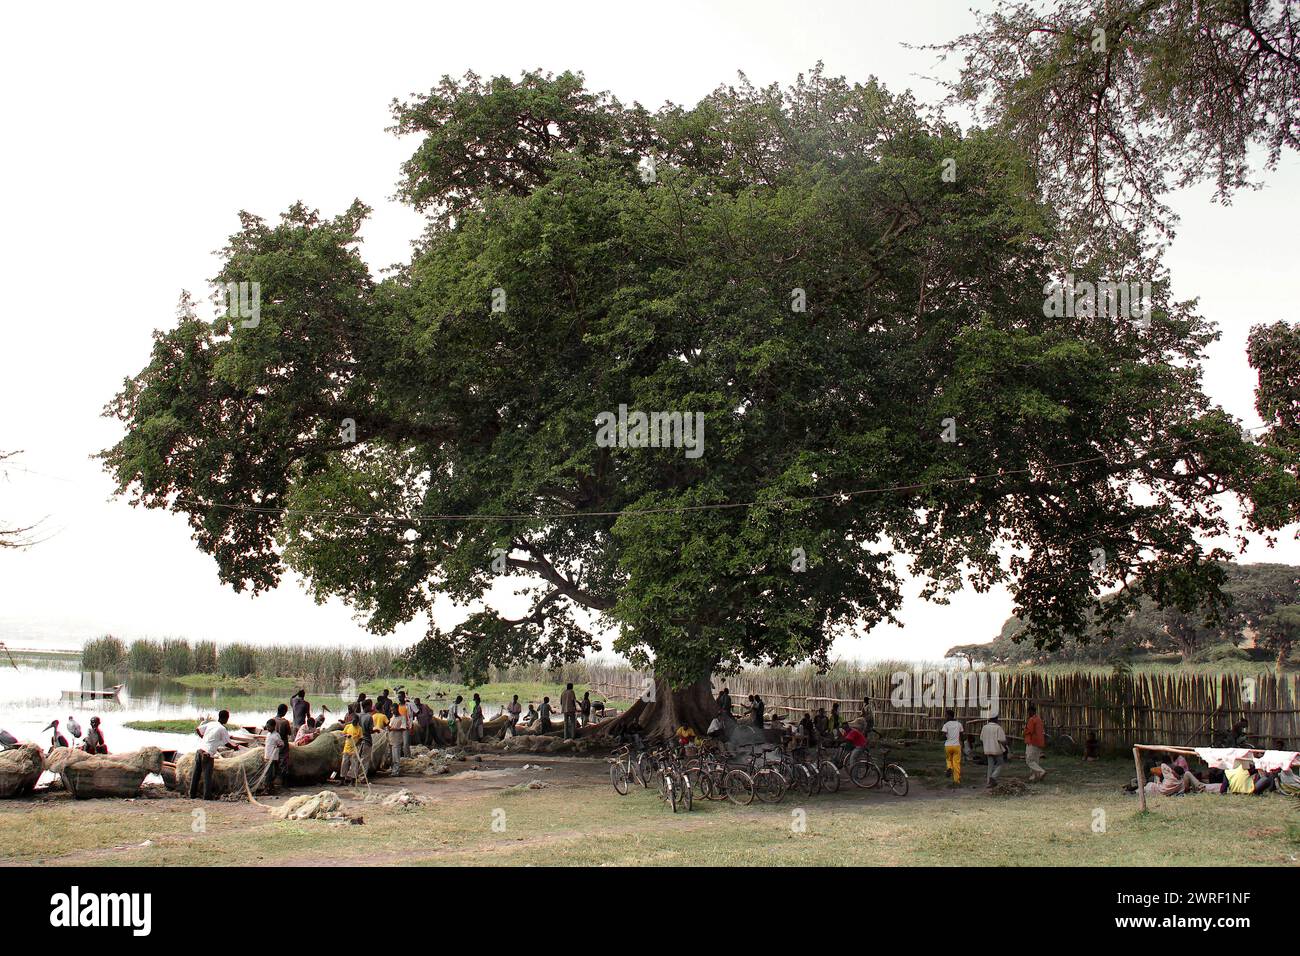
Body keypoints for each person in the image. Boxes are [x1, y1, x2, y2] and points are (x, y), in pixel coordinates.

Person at [190, 710, 231, 800]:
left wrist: (203, 737)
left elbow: (198, 729)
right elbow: (227, 743)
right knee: (207, 776)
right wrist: (235, 747)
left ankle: (192, 794)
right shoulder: (222, 729)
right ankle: (207, 797)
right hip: (207, 755)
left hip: (200, 751)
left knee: (196, 774)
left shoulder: (212, 724)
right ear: (225, 718)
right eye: (227, 718)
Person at [980, 716, 1008, 788]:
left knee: (990, 766)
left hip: (987, 749)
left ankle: (989, 782)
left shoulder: (984, 727)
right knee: (1001, 764)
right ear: (996, 719)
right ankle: (993, 777)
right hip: (996, 749)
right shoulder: (998, 728)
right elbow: (1002, 740)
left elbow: (981, 738)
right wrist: (1005, 747)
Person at [1023, 704, 1046, 782]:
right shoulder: (1039, 719)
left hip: (1032, 742)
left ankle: (1041, 772)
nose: (1028, 713)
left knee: (1029, 760)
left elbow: (1029, 731)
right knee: (1035, 761)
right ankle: (1034, 777)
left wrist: (1024, 730)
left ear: (1031, 711)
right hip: (1039, 742)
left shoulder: (1032, 719)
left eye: (1029, 712)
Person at [941, 709, 963, 785]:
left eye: (946, 715)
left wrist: (945, 735)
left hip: (948, 746)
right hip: (957, 746)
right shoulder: (959, 724)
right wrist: (961, 743)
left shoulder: (946, 725)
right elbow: (962, 735)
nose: (945, 717)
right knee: (956, 763)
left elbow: (943, 736)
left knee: (948, 760)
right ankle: (956, 780)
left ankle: (949, 768)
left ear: (950, 715)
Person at [340, 713, 363, 785]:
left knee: (354, 765)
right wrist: (346, 735)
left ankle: (353, 781)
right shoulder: (348, 726)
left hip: (354, 750)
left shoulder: (359, 728)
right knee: (344, 764)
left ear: (358, 721)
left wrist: (356, 744)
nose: (354, 722)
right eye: (353, 721)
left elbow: (361, 738)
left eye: (355, 721)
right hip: (346, 748)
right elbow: (343, 734)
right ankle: (342, 780)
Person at [263, 719, 284, 794]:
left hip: (273, 757)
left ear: (273, 727)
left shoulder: (276, 735)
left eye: (269, 727)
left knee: (270, 773)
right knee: (267, 773)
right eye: (267, 727)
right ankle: (269, 787)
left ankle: (268, 788)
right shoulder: (268, 734)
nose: (268, 729)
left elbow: (282, 743)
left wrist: (279, 745)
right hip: (267, 756)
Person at [386, 701, 407, 775]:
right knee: (391, 756)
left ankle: (396, 771)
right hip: (391, 738)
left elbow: (404, 728)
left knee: (396, 756)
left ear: (397, 709)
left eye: (393, 709)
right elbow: (390, 726)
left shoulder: (402, 717)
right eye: (391, 710)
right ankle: (393, 770)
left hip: (397, 739)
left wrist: (394, 729)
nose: (392, 711)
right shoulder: (392, 717)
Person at [273, 704, 293, 776]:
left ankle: (275, 777)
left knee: (275, 762)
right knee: (283, 763)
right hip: (283, 745)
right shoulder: (285, 722)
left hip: (274, 744)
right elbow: (289, 733)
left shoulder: (272, 719)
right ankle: (283, 780)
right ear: (284, 712)